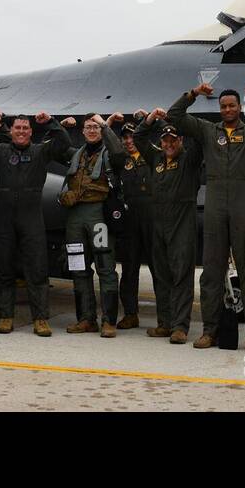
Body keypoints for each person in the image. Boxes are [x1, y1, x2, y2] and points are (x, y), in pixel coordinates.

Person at [167, 82, 245, 354]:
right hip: (215, 204)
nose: (227, 110)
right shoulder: (208, 131)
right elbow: (174, 116)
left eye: (232, 105)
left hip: (244, 204)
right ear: (219, 109)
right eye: (223, 106)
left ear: (240, 107)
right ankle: (210, 331)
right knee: (211, 272)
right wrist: (193, 93)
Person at [0, 110, 71, 337]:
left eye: (26, 128)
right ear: (12, 131)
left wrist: (51, 122)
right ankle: (6, 316)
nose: (22, 132)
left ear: (30, 132)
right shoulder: (0, 150)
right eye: (18, 128)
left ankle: (40, 319)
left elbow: (64, 141)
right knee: (3, 268)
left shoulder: (40, 151)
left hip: (32, 217)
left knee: (37, 269)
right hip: (5, 218)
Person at [126, 112, 203, 344]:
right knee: (161, 275)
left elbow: (199, 139)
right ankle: (164, 323)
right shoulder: (157, 159)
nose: (169, 144)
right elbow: (139, 137)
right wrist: (150, 118)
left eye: (173, 140)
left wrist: (175, 121)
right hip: (158, 223)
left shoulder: (189, 160)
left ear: (180, 141)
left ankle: (180, 327)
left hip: (181, 225)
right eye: (165, 141)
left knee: (181, 275)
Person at [58, 114, 121, 337]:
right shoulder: (77, 154)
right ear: (82, 131)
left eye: (96, 127)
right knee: (78, 267)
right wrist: (59, 127)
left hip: (98, 216)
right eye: (88, 128)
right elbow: (57, 145)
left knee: (105, 267)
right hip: (75, 217)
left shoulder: (109, 154)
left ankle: (108, 321)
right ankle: (86, 319)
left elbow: (120, 153)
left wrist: (106, 125)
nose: (92, 130)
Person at [104, 115, 153, 331]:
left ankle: (167, 318)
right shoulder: (120, 160)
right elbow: (112, 148)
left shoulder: (151, 157)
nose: (128, 140)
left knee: (159, 269)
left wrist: (148, 119)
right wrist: (106, 126)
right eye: (125, 137)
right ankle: (131, 314)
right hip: (129, 220)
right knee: (129, 270)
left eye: (132, 136)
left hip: (151, 219)